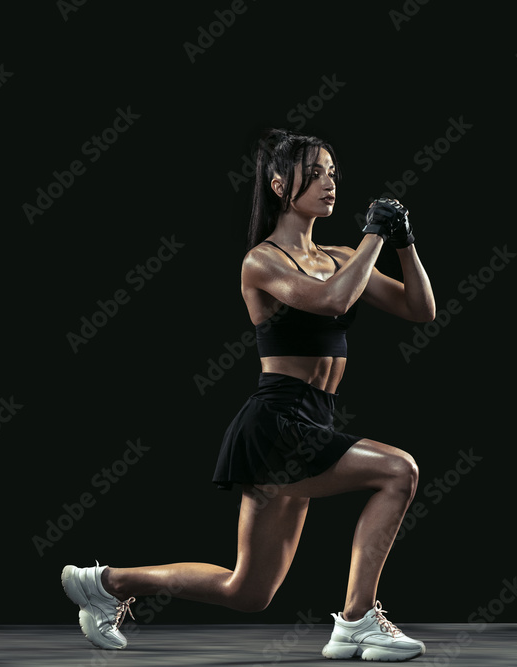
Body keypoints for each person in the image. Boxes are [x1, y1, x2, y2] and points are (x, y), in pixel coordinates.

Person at [61, 128, 436, 661]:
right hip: (278, 422)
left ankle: (105, 583)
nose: (331, 183)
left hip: (314, 419)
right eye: (317, 172)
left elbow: (421, 310)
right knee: (400, 471)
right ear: (281, 184)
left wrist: (402, 241)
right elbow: (331, 302)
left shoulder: (339, 254)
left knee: (248, 591)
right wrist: (375, 236)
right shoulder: (263, 261)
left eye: (334, 172)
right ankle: (356, 620)